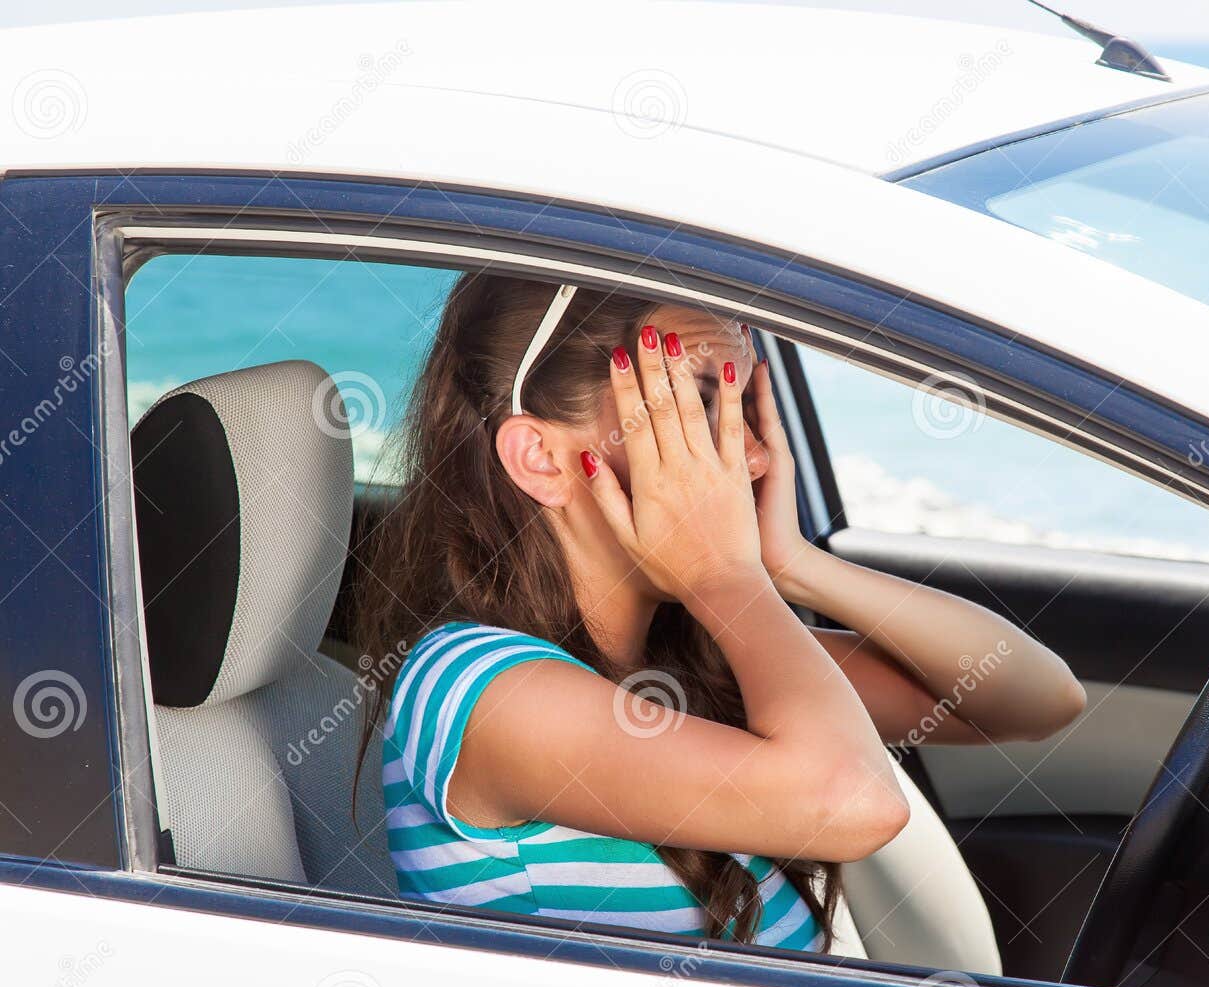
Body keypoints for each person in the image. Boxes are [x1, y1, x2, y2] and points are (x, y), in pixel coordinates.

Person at [354, 274, 1085, 951]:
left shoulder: (696, 653)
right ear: (541, 459)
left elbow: (1034, 698)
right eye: (701, 409)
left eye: (747, 416)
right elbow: (855, 804)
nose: (756, 459)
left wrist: (797, 566)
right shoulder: (473, 686)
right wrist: (725, 573)